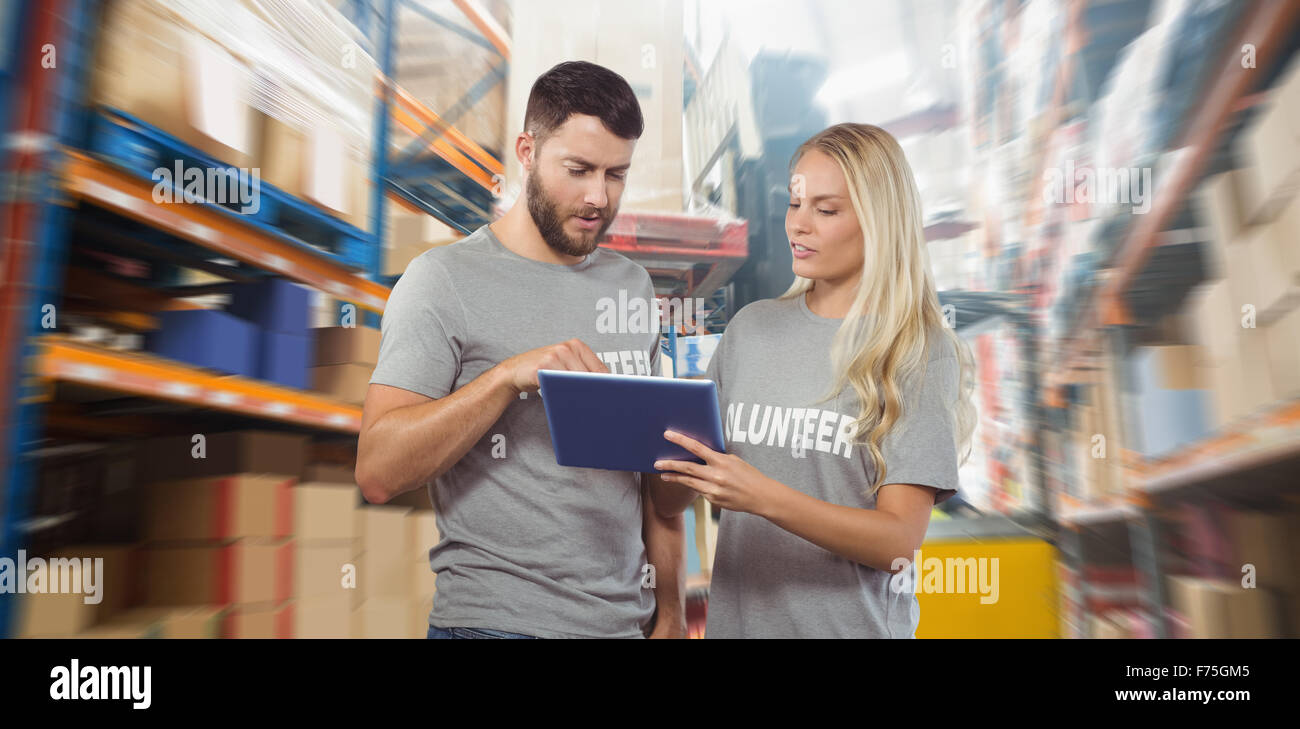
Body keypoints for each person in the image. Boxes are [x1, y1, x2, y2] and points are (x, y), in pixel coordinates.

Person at [356, 61, 685, 639]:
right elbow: (378, 472)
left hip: (623, 626)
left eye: (616, 174)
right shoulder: (443, 280)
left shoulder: (632, 286)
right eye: (578, 170)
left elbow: (652, 489)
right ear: (527, 152)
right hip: (496, 625)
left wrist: (672, 614)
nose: (598, 197)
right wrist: (506, 378)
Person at [650, 123, 976, 638]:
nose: (798, 225)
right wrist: (661, 431)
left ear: (879, 221)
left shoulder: (916, 349)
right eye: (794, 203)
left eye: (826, 210)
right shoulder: (750, 330)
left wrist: (762, 496)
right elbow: (669, 500)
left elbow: (897, 543)